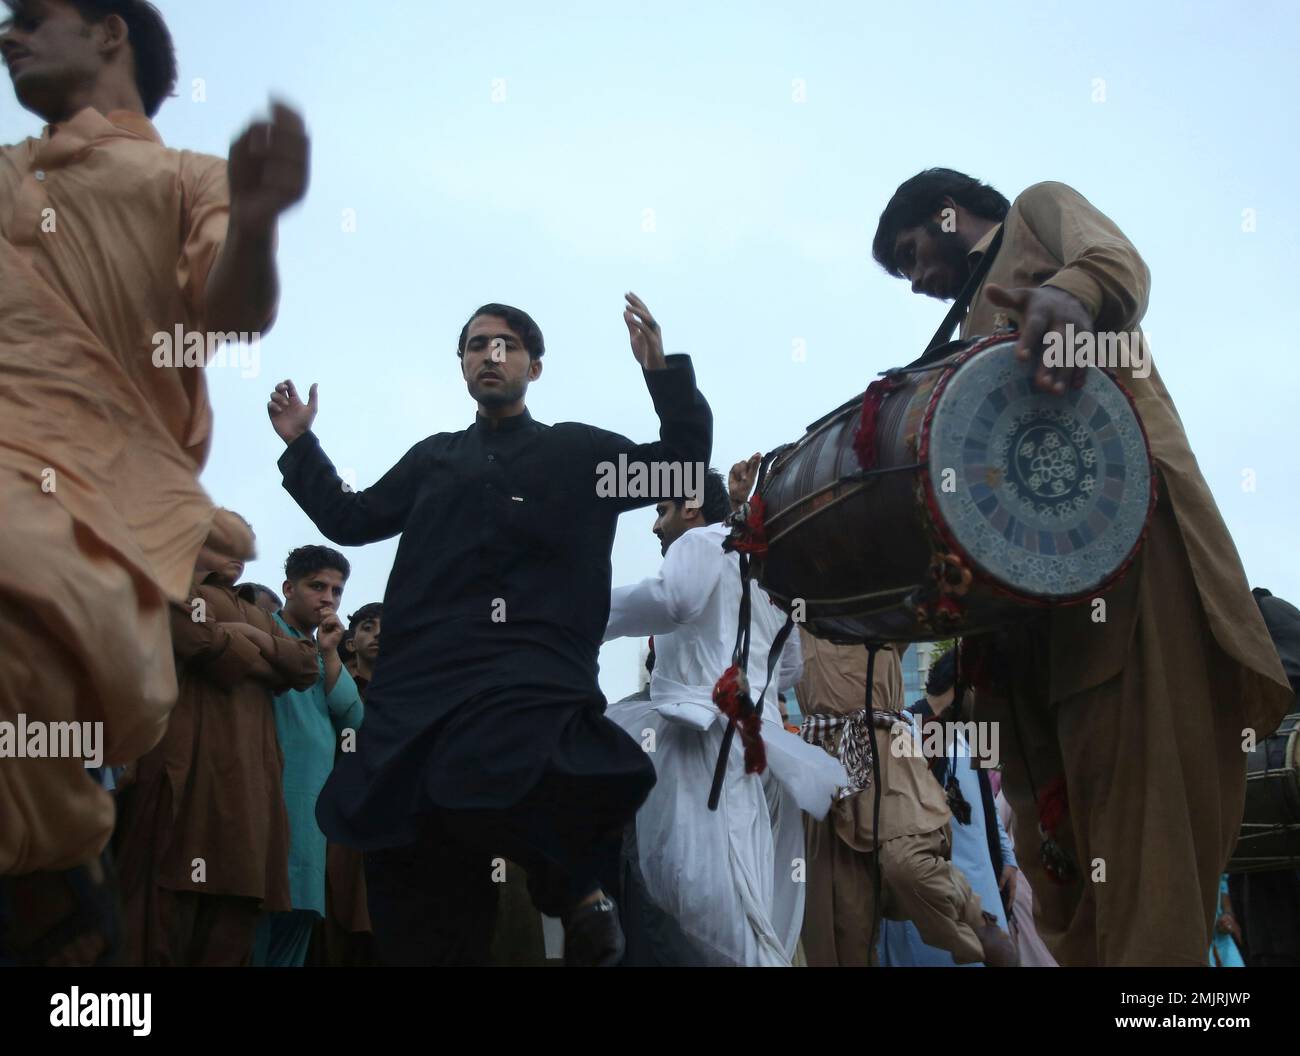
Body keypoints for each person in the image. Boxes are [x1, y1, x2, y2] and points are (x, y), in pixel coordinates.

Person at [872, 168, 1292, 965]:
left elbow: (1117, 264)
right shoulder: (966, 329)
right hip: (1041, 613)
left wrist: (1070, 295)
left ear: (948, 211)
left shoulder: (1036, 211)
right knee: (1068, 858)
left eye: (911, 253)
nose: (918, 279)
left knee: (1146, 826)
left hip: (1129, 564)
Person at [268, 294, 712, 966]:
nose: (490, 355)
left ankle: (578, 889)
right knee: (417, 872)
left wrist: (663, 374)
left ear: (535, 366)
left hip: (531, 680)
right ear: (463, 367)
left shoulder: (579, 452)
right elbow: (350, 519)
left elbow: (679, 465)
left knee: (535, 766)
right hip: (421, 692)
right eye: (476, 345)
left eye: (505, 344)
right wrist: (303, 444)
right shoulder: (435, 460)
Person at [0, 0, 308, 965]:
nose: (7, 32)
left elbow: (230, 306)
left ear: (108, 31)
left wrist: (255, 220)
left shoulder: (185, 178)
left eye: (31, 14)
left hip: (87, 501)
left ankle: (64, 901)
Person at [603, 469, 846, 966]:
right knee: (758, 904)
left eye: (661, 510)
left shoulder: (698, 543)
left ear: (691, 507)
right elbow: (793, 666)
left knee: (706, 901)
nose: (655, 527)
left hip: (711, 746)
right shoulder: (772, 573)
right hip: (767, 751)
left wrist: (578, 613)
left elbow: (675, 601)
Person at [115, 512, 319, 966]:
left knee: (234, 914)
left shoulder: (255, 610)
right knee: (160, 913)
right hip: (183, 770)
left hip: (249, 786)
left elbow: (306, 667)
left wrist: (246, 633)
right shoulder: (166, 586)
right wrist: (268, 661)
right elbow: (198, 639)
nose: (237, 558)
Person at [795, 634, 1016, 967]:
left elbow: (987, 802)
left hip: (884, 745)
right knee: (842, 918)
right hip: (826, 758)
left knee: (908, 863)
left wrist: (1007, 854)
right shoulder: (787, 599)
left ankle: (974, 920)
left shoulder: (879, 596)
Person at [252, 546, 364, 967]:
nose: (328, 599)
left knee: (296, 924)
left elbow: (355, 721)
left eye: (336, 591)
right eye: (317, 586)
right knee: (255, 926)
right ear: (288, 588)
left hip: (310, 817)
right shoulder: (266, 631)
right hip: (267, 802)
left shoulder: (323, 652)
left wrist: (330, 653)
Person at [880, 650, 1019, 967]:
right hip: (933, 903)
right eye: (985, 691)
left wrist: (1007, 858)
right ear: (965, 688)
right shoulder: (905, 730)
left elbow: (986, 808)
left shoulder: (974, 732)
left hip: (984, 891)